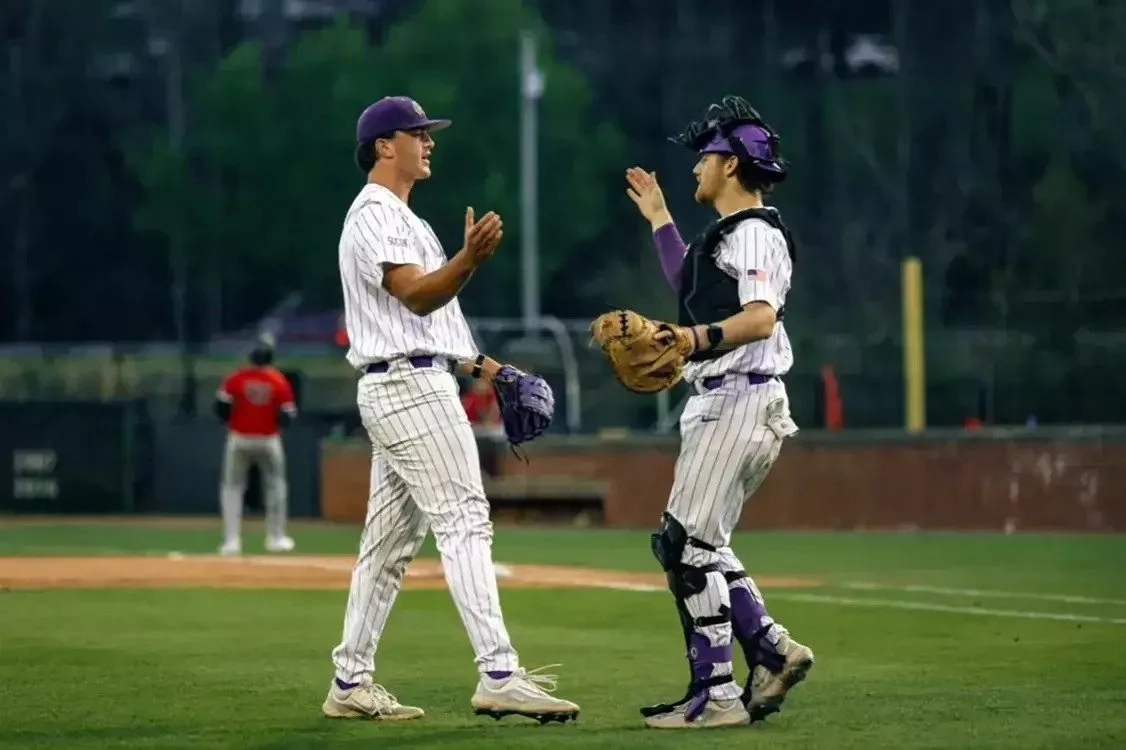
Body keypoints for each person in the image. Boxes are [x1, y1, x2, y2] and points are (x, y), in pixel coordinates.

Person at [322, 95, 580, 724]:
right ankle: (498, 672)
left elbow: (438, 324)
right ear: (385, 146)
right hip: (407, 388)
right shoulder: (373, 215)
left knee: (387, 546)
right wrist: (468, 260)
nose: (429, 142)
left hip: (412, 380)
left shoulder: (411, 219)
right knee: (465, 518)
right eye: (418, 133)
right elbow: (413, 297)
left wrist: (490, 370)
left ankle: (350, 680)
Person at [623, 95, 814, 729]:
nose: (696, 165)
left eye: (705, 155)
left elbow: (759, 318)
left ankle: (717, 694)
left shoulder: (757, 230)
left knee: (685, 548)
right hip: (733, 398)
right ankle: (771, 648)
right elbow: (690, 289)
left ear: (732, 164)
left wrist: (692, 340)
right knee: (702, 543)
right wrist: (659, 219)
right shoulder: (733, 234)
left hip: (739, 395)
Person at [213, 334, 297, 555]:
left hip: (239, 438)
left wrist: (232, 422)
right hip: (268, 439)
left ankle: (232, 542)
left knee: (232, 488)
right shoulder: (278, 381)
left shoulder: (235, 378)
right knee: (276, 487)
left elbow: (221, 407)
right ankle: (276, 538)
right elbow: (287, 415)